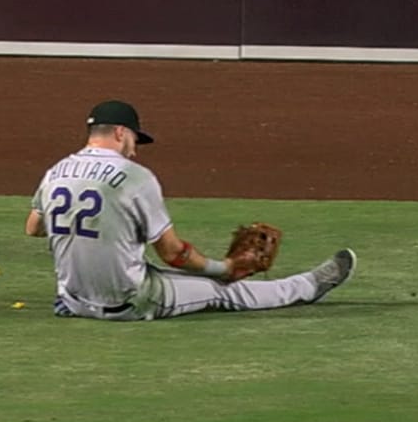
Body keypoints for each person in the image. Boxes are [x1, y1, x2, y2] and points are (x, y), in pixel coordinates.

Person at [24, 99, 355, 321]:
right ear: (121, 133)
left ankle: (81, 296)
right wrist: (223, 268)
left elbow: (34, 228)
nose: (135, 150)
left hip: (73, 301)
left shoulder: (56, 171)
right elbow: (173, 253)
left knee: (141, 266)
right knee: (222, 290)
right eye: (134, 140)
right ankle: (308, 286)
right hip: (129, 303)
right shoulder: (135, 177)